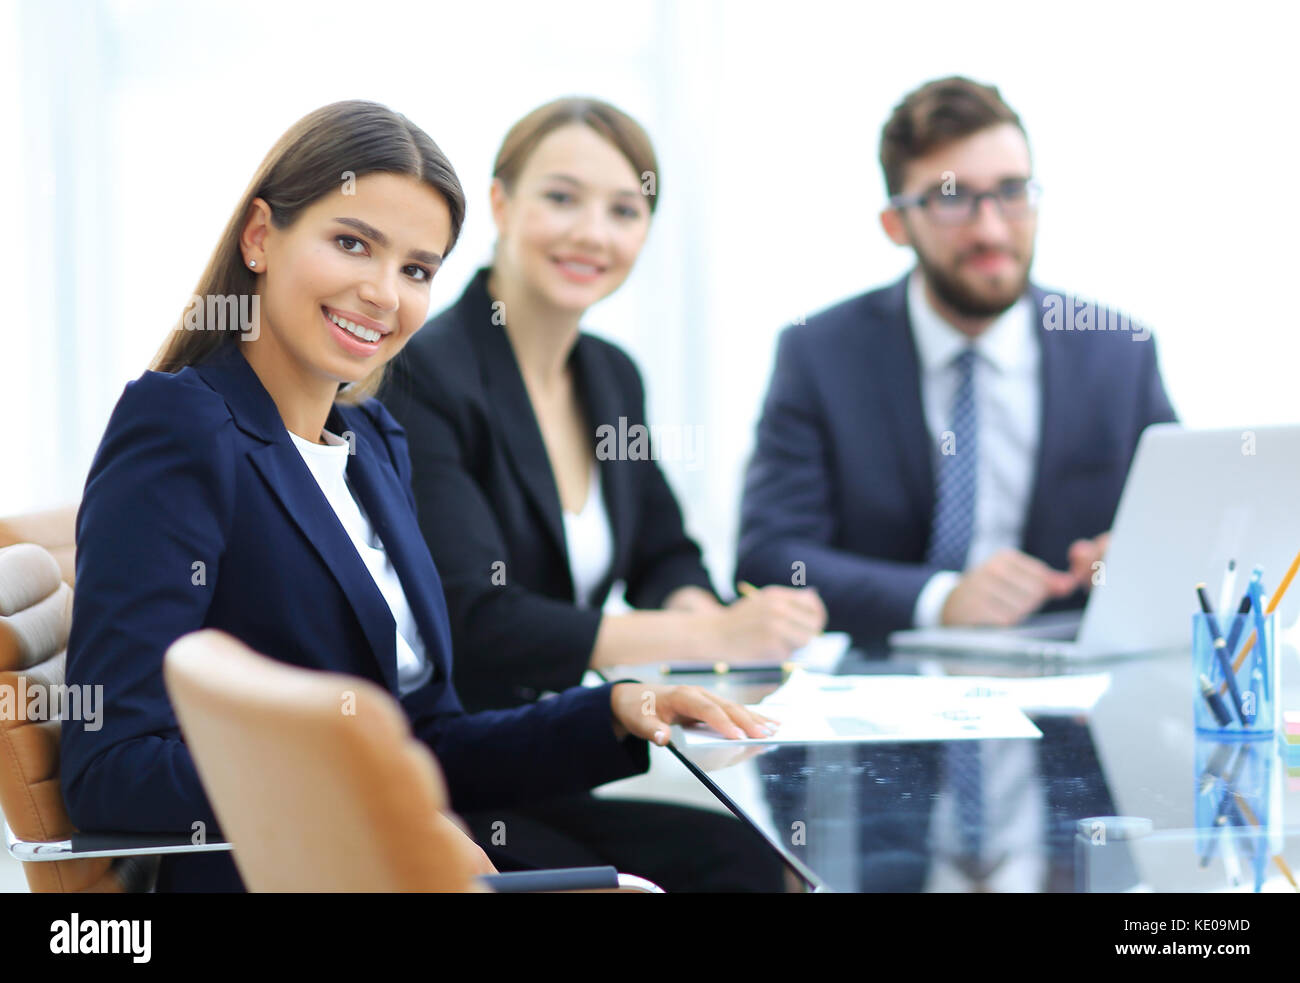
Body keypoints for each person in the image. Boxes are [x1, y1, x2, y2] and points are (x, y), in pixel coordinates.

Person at [61, 100, 773, 893]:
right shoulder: (181, 428)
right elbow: (111, 765)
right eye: (351, 243)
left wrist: (614, 710)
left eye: (416, 270)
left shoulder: (372, 443)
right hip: (291, 877)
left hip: (391, 862)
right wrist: (373, 806)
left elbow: (427, 738)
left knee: (737, 863)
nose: (382, 292)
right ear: (259, 236)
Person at [381, 97, 820, 891]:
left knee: (762, 857)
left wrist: (704, 617)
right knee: (735, 868)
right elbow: (477, 619)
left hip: (544, 760)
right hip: (451, 777)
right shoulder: (425, 373)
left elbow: (662, 549)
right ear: (500, 203)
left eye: (624, 209)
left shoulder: (611, 375)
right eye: (561, 197)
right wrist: (717, 628)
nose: (593, 232)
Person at [737, 76, 1177, 645]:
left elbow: (1186, 524)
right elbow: (771, 558)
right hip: (885, 680)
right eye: (951, 198)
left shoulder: (1118, 351)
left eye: (1012, 192)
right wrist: (939, 599)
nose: (990, 229)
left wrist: (1136, 557)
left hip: (1072, 670)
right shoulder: (820, 354)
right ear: (896, 224)